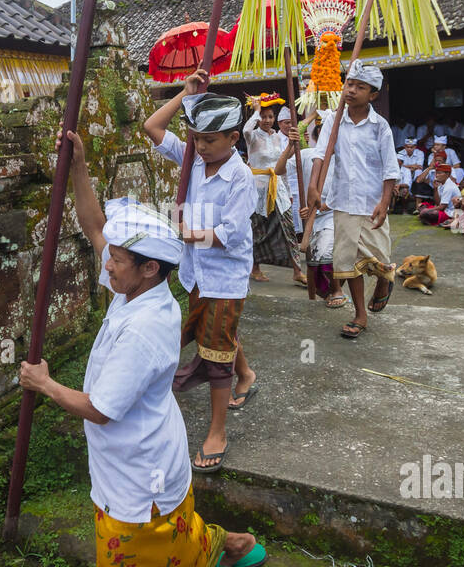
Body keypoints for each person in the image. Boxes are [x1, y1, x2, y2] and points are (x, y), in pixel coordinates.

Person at [20, 131, 265, 567]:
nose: (105, 265)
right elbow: (94, 229)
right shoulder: (140, 284)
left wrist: (44, 383)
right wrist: (81, 167)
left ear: (149, 268)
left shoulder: (144, 327)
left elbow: (100, 410)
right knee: (175, 536)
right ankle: (231, 546)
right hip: (146, 455)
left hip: (138, 468)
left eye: (117, 261)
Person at [143, 70, 256, 473]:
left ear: (233, 139)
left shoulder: (241, 178)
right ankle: (248, 374)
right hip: (195, 274)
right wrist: (184, 93)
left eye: (211, 140)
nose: (202, 147)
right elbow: (151, 126)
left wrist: (184, 235)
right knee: (216, 334)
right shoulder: (191, 158)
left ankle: (218, 431)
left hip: (225, 276)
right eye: (197, 139)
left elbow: (229, 236)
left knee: (216, 350)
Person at [308, 60, 398, 339]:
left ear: (372, 94)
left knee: (379, 260)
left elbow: (390, 168)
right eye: (349, 84)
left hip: (371, 203)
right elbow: (320, 156)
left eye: (360, 86)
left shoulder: (379, 126)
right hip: (344, 202)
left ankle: (385, 280)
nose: (352, 90)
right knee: (347, 263)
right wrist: (313, 187)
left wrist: (384, 202)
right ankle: (360, 315)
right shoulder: (334, 123)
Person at [277, 121, 342, 306]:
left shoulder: (344, 161)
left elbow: (347, 194)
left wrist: (320, 207)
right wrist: (290, 145)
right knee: (312, 265)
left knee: (326, 254)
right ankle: (319, 297)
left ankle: (337, 290)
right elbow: (278, 170)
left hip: (332, 216)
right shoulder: (307, 155)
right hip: (309, 219)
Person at [242, 94, 305, 285]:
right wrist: (256, 111)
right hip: (258, 188)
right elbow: (245, 129)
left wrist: (286, 188)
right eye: (264, 117)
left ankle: (297, 270)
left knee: (288, 228)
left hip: (278, 186)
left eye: (270, 117)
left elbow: (282, 164)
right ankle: (255, 268)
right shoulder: (251, 136)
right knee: (258, 229)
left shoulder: (278, 137)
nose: (267, 120)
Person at [394, 137, 425, 214]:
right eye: (407, 147)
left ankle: (416, 188)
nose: (409, 149)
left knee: (418, 171)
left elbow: (419, 167)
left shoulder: (420, 153)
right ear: (404, 146)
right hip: (396, 184)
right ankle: (390, 208)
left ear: (415, 147)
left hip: (413, 176)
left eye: (411, 147)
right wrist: (413, 166)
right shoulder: (400, 153)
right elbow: (415, 166)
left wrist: (406, 166)